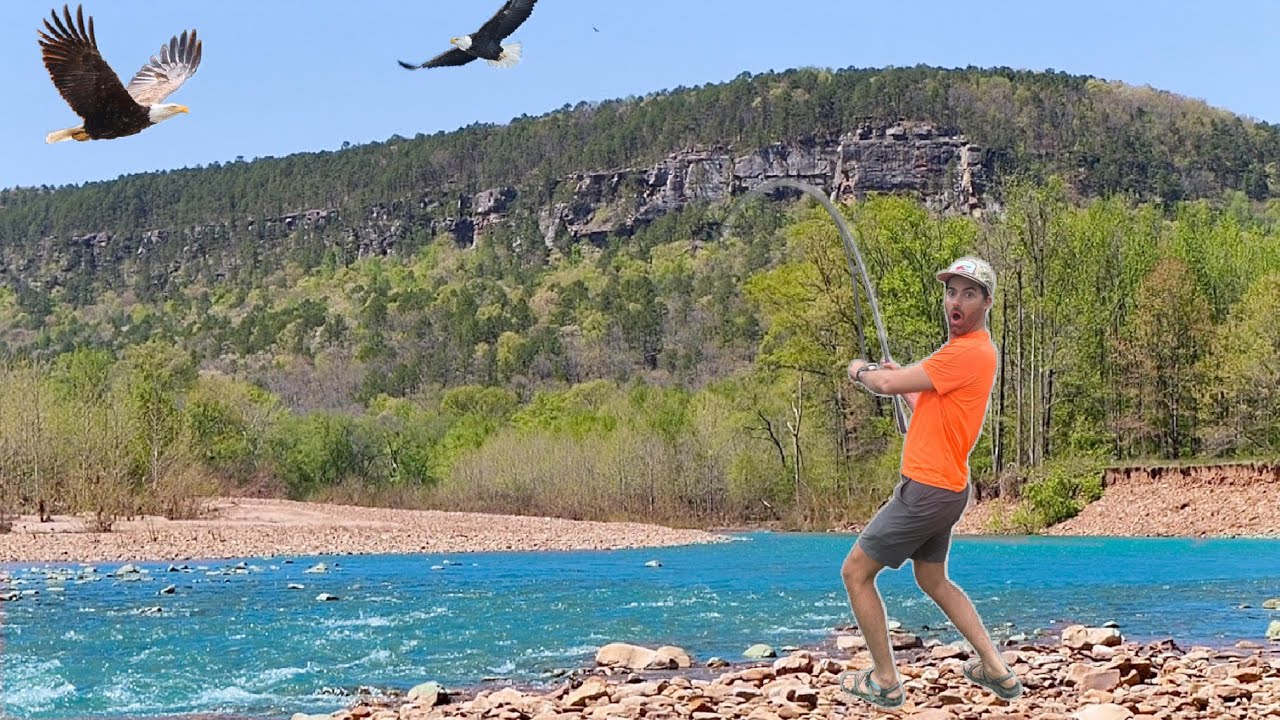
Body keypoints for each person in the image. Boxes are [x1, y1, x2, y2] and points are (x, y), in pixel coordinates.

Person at [838, 256, 1022, 708]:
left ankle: (886, 681)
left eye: (968, 293)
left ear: (987, 303)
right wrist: (901, 379)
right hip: (949, 489)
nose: (955, 301)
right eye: (951, 291)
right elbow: (925, 398)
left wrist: (862, 370)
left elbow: (884, 384)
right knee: (933, 580)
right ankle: (996, 670)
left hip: (925, 490)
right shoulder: (975, 353)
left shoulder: (965, 352)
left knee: (856, 573)